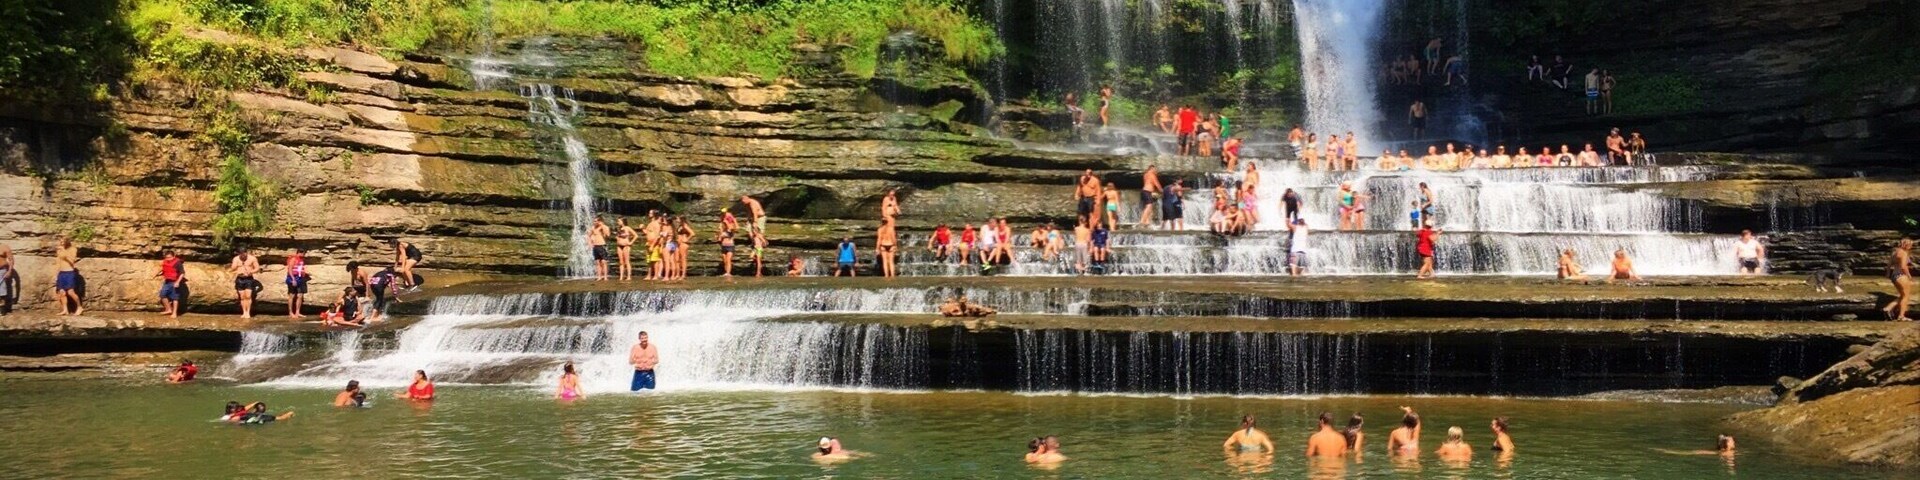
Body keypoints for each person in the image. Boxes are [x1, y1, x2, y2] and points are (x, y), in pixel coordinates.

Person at [53, 236, 83, 315]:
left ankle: (79, 307)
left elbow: (72, 261)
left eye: (63, 241)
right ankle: (65, 310)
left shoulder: (73, 249)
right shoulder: (59, 249)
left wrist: (64, 251)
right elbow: (58, 262)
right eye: (60, 241)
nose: (61, 243)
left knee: (70, 292)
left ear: (67, 242)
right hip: (61, 273)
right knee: (62, 292)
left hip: (69, 272)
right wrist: (56, 274)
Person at [1885, 239, 1913, 321]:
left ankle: (1888, 308)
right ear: (1906, 245)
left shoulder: (1895, 252)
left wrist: (1887, 274)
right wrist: (1909, 275)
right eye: (1910, 245)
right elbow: (1903, 266)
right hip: (1901, 276)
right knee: (1906, 296)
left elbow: (1889, 265)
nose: (1911, 247)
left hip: (1894, 276)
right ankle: (1901, 316)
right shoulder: (1903, 253)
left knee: (1902, 295)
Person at [229, 247, 261, 318]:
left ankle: (248, 312)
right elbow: (232, 268)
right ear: (239, 254)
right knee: (242, 297)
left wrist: (251, 272)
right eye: (241, 254)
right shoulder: (236, 259)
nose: (243, 256)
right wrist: (236, 268)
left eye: (244, 254)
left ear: (246, 252)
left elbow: (257, 268)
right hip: (240, 279)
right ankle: (244, 312)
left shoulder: (252, 258)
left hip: (249, 279)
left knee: (248, 296)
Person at [157, 250, 186, 318]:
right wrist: (161, 273)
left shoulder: (178, 263)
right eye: (167, 257)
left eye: (170, 257)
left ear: (174, 256)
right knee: (162, 294)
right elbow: (167, 269)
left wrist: (177, 282)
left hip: (175, 282)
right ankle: (168, 309)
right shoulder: (166, 261)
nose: (168, 259)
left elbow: (182, 273)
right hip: (167, 281)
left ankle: (174, 313)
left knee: (175, 298)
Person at [284, 248, 309, 319]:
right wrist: (293, 279)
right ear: (300, 253)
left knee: (300, 295)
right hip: (293, 278)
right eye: (304, 253)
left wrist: (306, 274)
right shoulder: (293, 259)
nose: (304, 255)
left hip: (300, 278)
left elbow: (299, 269)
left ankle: (297, 312)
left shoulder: (301, 260)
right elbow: (290, 269)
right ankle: (290, 312)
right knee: (292, 295)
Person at [0, 244, 14, 316]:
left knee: (2, 291)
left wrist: (9, 271)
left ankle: (2, 310)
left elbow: (11, 260)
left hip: (1, 271)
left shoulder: (4, 247)